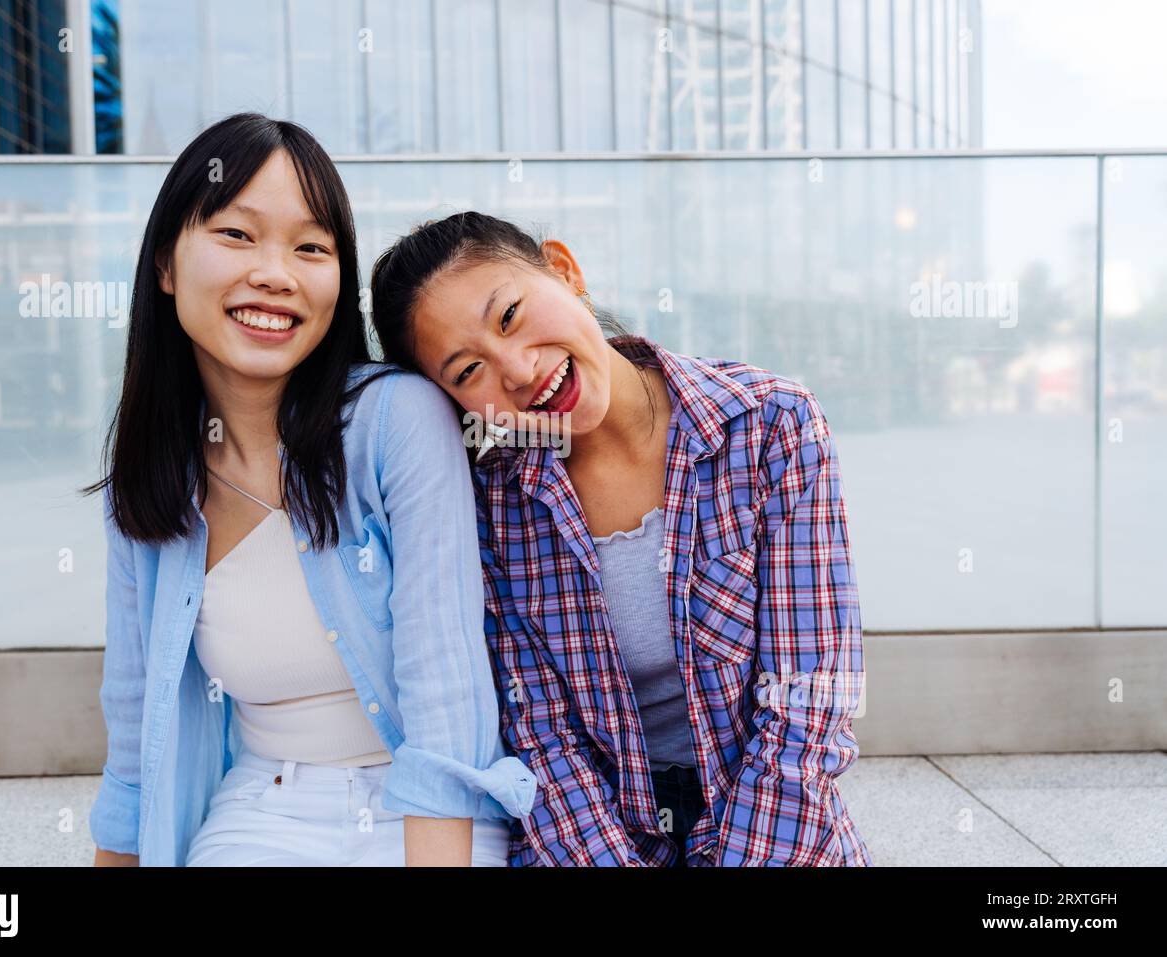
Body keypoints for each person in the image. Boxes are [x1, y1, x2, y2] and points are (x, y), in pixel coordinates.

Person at [80, 117, 534, 867]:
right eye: (236, 235)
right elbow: (133, 725)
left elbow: (444, 685)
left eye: (311, 248)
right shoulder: (149, 478)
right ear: (165, 264)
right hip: (263, 807)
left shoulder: (396, 420)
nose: (276, 273)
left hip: (429, 806)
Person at [369, 211, 871, 866]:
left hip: (776, 828)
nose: (516, 370)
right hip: (599, 840)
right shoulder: (491, 505)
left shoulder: (772, 424)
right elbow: (543, 743)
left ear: (566, 271)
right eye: (468, 371)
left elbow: (807, 701)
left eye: (511, 315)